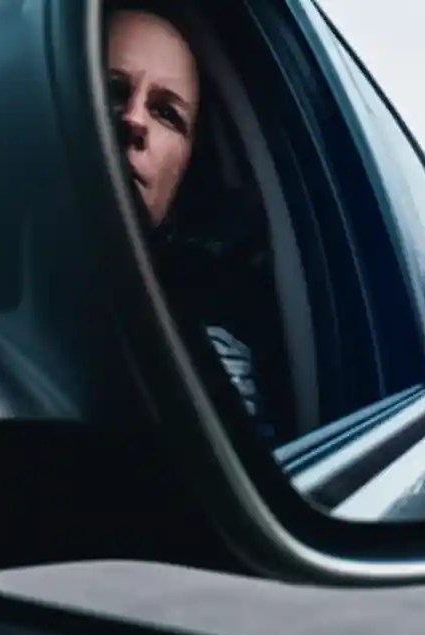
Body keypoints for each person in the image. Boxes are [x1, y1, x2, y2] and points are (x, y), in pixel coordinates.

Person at [106, 1, 278, 440]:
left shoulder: (217, 372)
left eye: (167, 113)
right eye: (112, 89)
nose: (133, 119)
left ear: (182, 173)